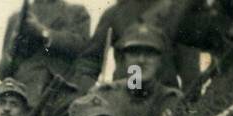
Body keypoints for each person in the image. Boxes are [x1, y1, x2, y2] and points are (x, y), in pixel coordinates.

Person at [0, 0, 92, 116]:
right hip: (25, 93)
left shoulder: (76, 12)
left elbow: (82, 46)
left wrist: (43, 32)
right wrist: (13, 48)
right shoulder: (17, 18)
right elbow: (4, 72)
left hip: (64, 89)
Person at [93, 24, 183, 116]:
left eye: (149, 54)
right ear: (124, 59)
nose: (141, 60)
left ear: (160, 61)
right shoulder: (105, 95)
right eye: (134, 53)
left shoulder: (170, 99)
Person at [73, 0, 202, 91]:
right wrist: (89, 92)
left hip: (164, 102)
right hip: (122, 100)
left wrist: (184, 108)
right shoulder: (114, 13)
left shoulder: (177, 13)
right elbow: (89, 61)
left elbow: (190, 71)